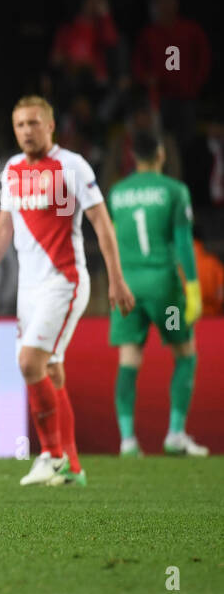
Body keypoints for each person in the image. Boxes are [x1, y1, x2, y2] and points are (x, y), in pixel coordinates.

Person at [0, 96, 135, 486]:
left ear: (50, 126)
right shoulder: (11, 169)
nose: (26, 131)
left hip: (65, 281)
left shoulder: (72, 166)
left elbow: (102, 222)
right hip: (29, 288)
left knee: (30, 364)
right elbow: (3, 228)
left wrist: (116, 278)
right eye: (19, 125)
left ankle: (51, 455)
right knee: (50, 369)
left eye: (33, 123)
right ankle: (73, 468)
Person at [107, 130, 207, 456]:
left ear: (133, 157)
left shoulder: (117, 193)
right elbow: (182, 244)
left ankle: (127, 441)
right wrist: (193, 289)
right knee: (185, 352)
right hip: (165, 290)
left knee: (129, 359)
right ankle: (175, 434)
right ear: (161, 154)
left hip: (127, 289)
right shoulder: (174, 191)